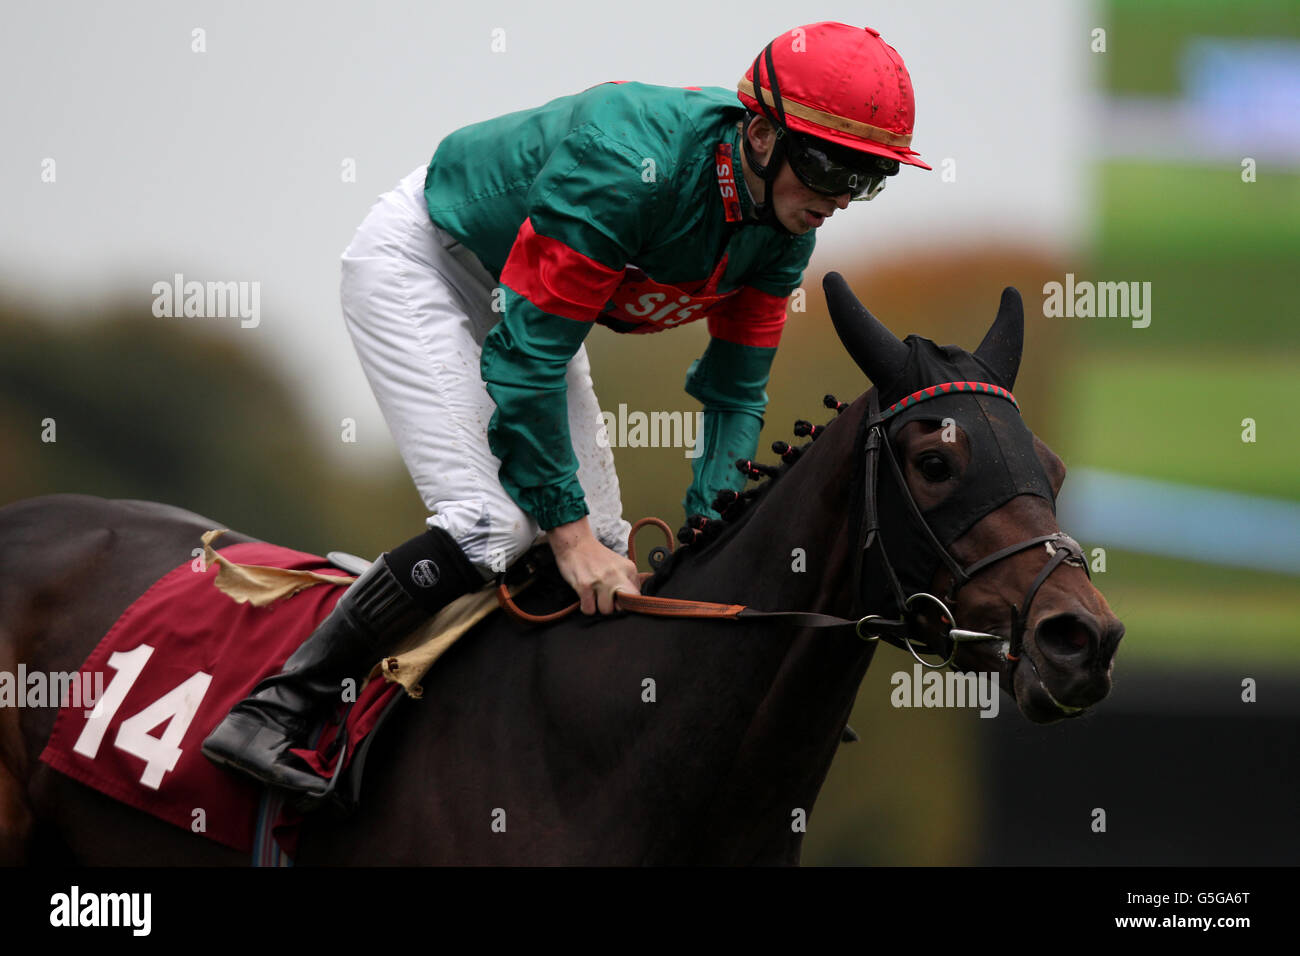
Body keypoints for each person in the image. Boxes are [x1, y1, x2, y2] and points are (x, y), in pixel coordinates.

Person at [202, 21, 930, 794]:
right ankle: (277, 707)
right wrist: (567, 531)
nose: (838, 199)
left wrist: (717, 555)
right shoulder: (627, 165)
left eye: (867, 177)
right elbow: (527, 359)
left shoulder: (785, 230)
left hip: (531, 304)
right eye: (826, 166)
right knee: (498, 528)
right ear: (757, 133)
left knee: (607, 550)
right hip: (428, 259)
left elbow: (733, 394)